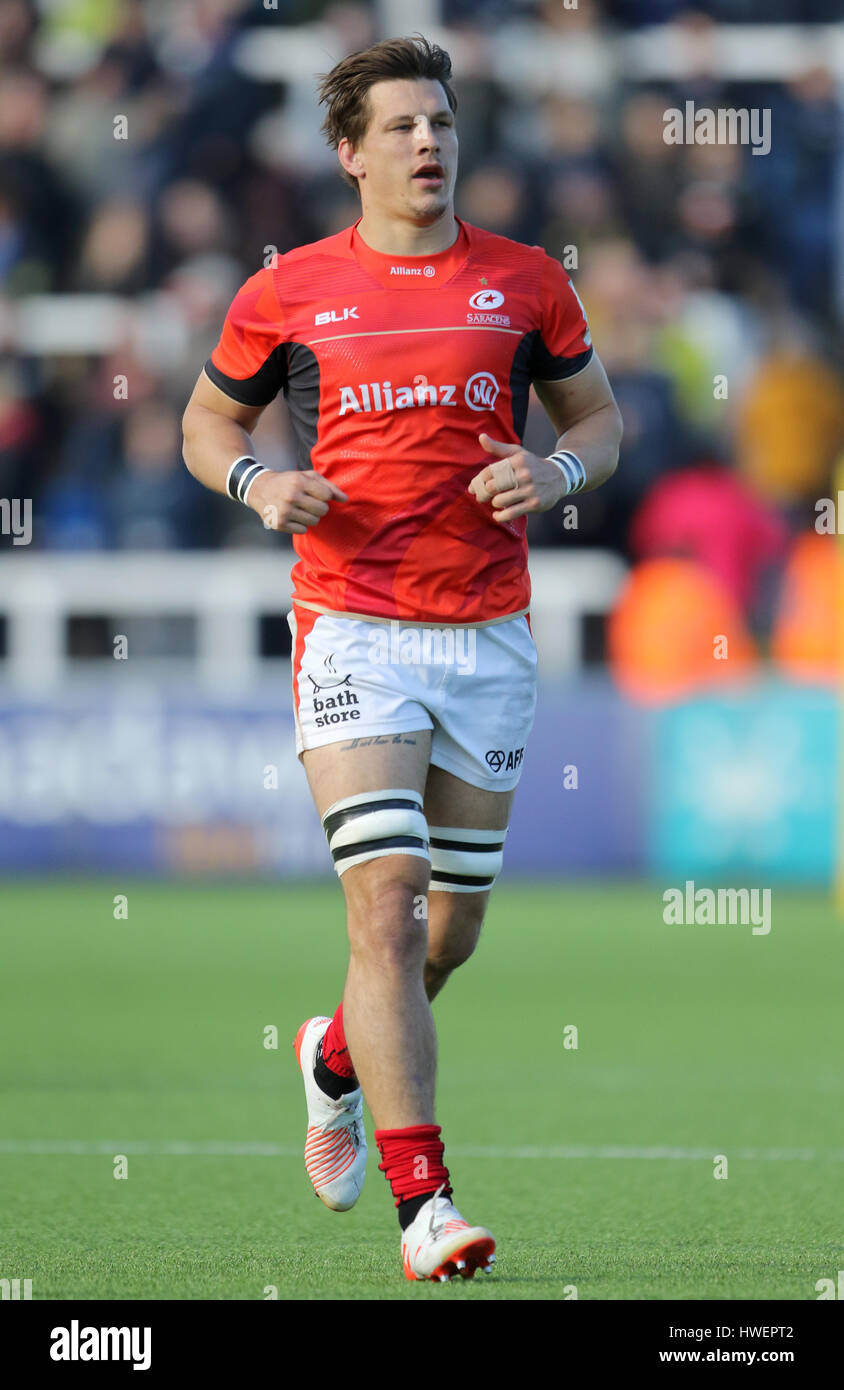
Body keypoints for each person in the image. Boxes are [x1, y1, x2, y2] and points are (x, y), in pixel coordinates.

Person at [181, 34, 622, 1283]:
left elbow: (601, 418)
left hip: (486, 631)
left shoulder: (529, 282)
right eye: (399, 127)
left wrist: (558, 470)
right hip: (351, 625)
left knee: (443, 938)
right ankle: (425, 1206)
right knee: (383, 909)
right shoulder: (289, 291)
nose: (427, 143)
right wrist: (260, 480)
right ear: (348, 153)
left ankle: (333, 1056)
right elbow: (205, 422)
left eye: (439, 122)